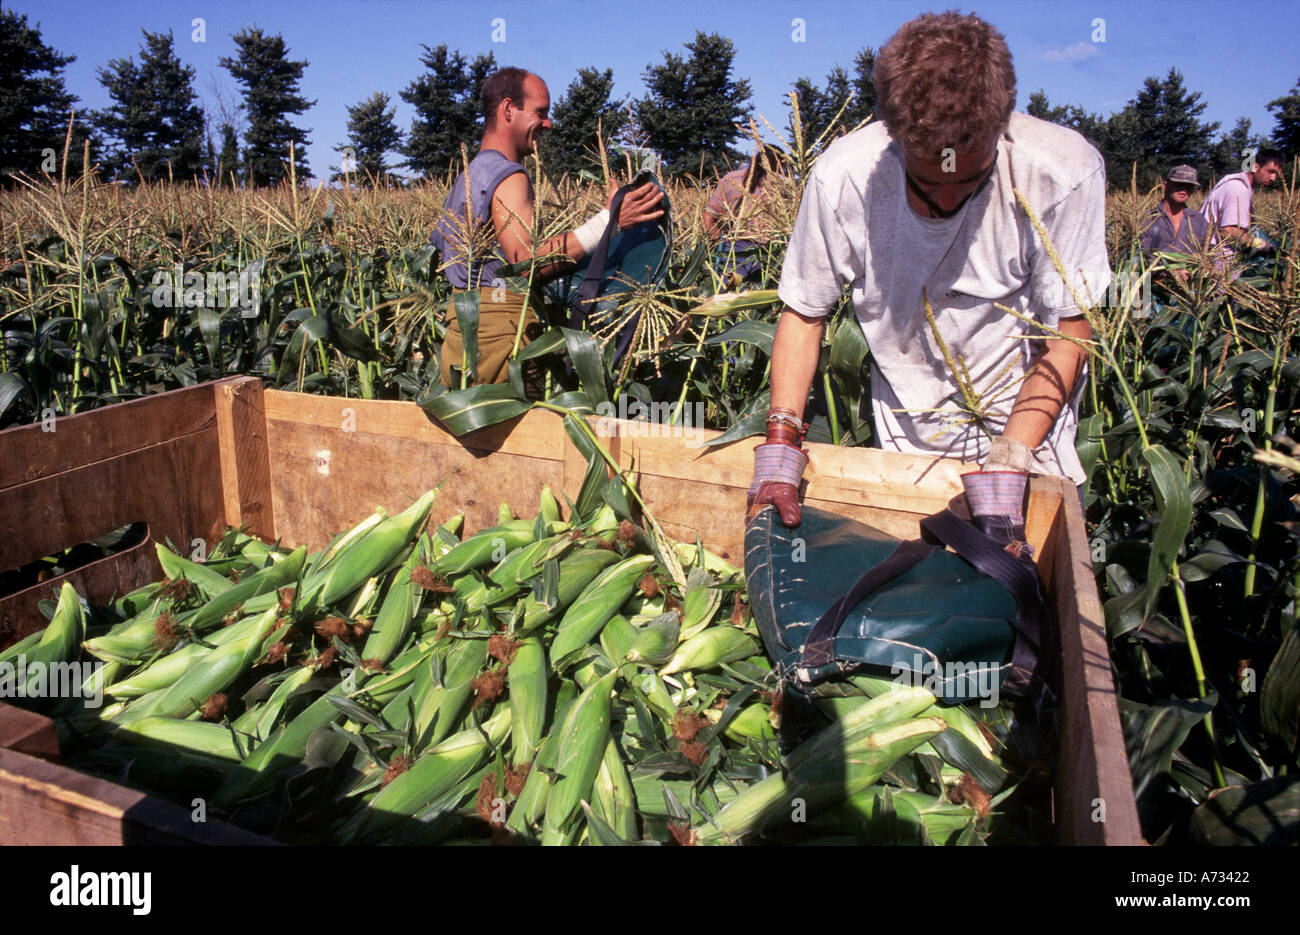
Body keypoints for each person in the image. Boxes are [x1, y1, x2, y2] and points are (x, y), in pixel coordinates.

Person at [748, 11, 1110, 529]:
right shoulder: (844, 178)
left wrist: (1008, 464)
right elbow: (805, 313)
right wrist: (781, 443)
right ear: (893, 135)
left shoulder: (1062, 173)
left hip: (1027, 429)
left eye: (968, 184)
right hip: (907, 435)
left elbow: (1069, 334)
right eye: (924, 183)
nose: (942, 202)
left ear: (1001, 128)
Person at [429, 67, 663, 388]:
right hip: (502, 342)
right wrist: (608, 223)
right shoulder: (509, 175)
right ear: (508, 109)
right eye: (540, 113)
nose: (548, 123)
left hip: (462, 342)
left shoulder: (470, 176)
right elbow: (524, 267)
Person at [702, 144, 787, 283]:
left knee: (728, 297)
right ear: (779, 163)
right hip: (771, 251)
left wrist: (719, 241)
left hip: (734, 250)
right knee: (762, 300)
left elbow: (708, 216)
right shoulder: (783, 184)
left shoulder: (731, 178)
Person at [1199, 148, 1284, 255]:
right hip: (1217, 258)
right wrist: (1261, 244)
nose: (1273, 178)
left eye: (1276, 174)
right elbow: (1229, 232)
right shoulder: (1238, 189)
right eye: (1270, 172)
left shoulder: (1233, 184)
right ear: (1255, 167)